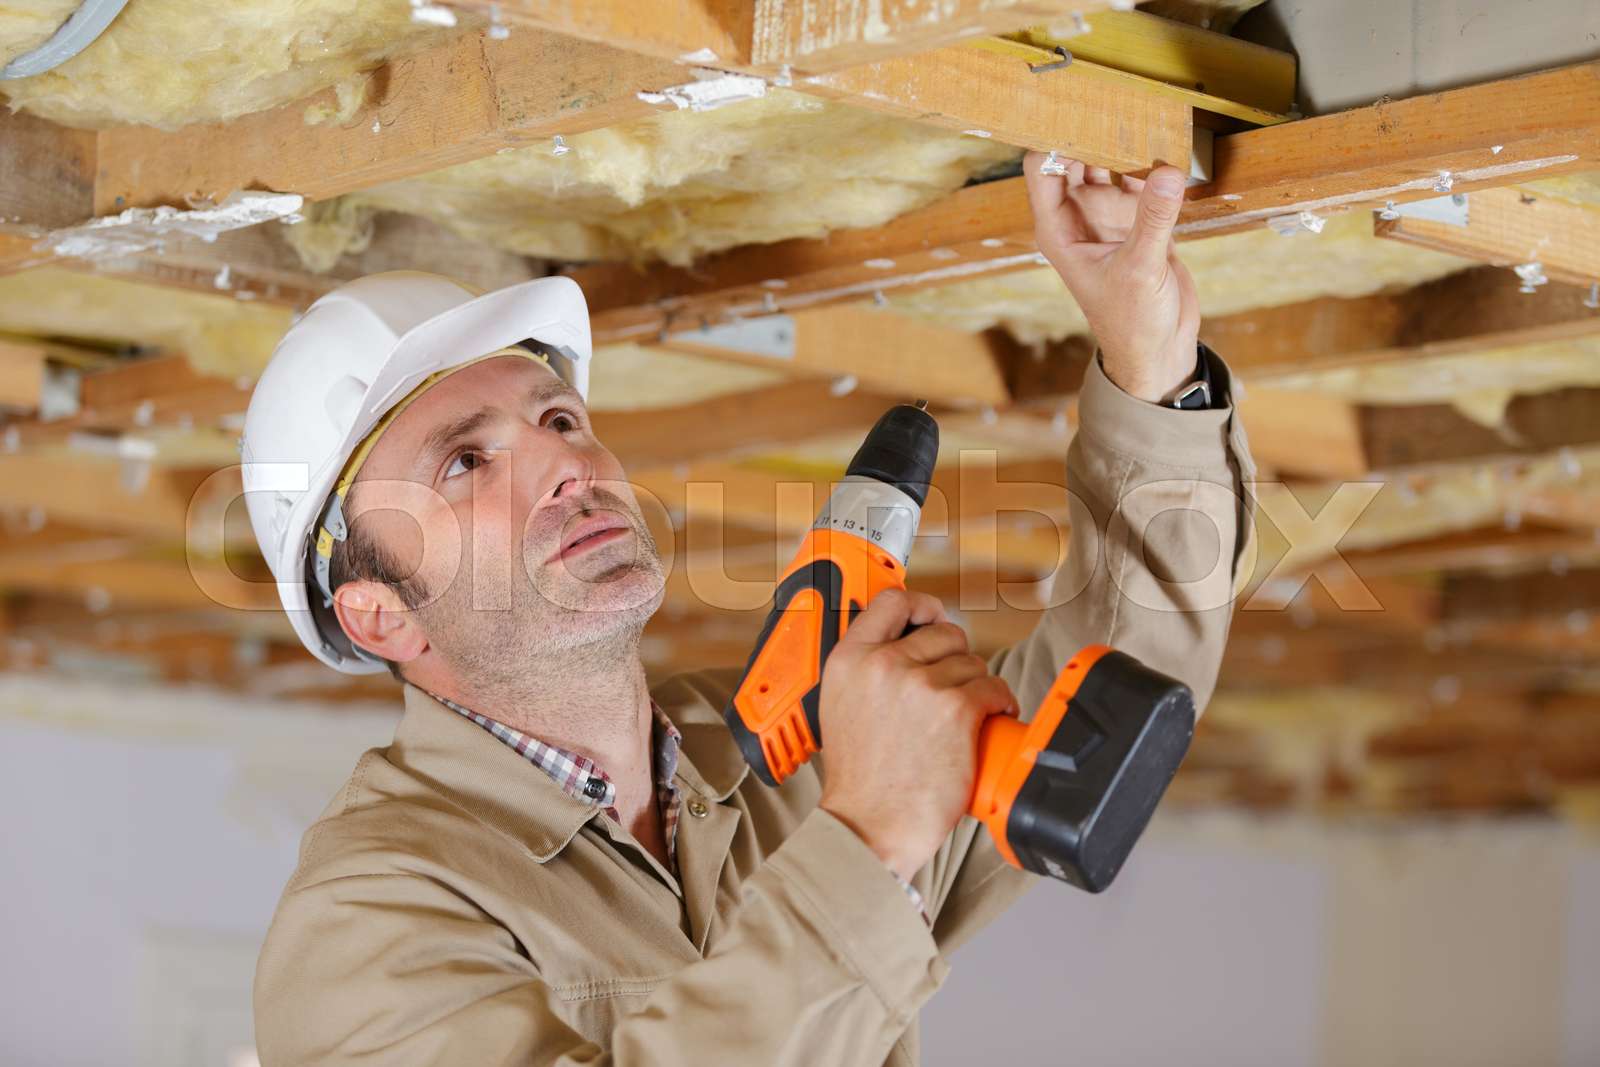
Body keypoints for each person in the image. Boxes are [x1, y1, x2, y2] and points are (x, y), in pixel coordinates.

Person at [248, 152, 1255, 1065]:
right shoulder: (367, 919)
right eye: (467, 462)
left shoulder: (800, 752)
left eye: (559, 416)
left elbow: (1108, 702)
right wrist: (866, 841)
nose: (566, 460)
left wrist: (1149, 365)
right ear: (382, 616)